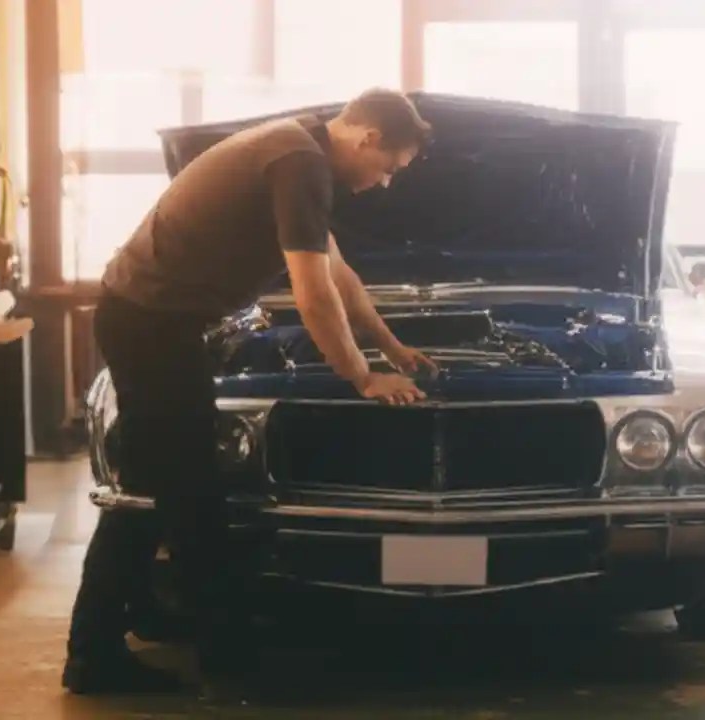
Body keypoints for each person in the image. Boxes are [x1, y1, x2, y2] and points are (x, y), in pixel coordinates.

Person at [62, 88, 437, 696]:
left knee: (160, 483)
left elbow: (340, 277)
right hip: (150, 321)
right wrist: (361, 376)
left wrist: (392, 349)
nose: (386, 183)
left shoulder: (302, 145)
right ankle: (102, 657)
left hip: (153, 318)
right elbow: (313, 294)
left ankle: (146, 615)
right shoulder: (300, 164)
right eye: (389, 168)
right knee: (180, 492)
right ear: (368, 138)